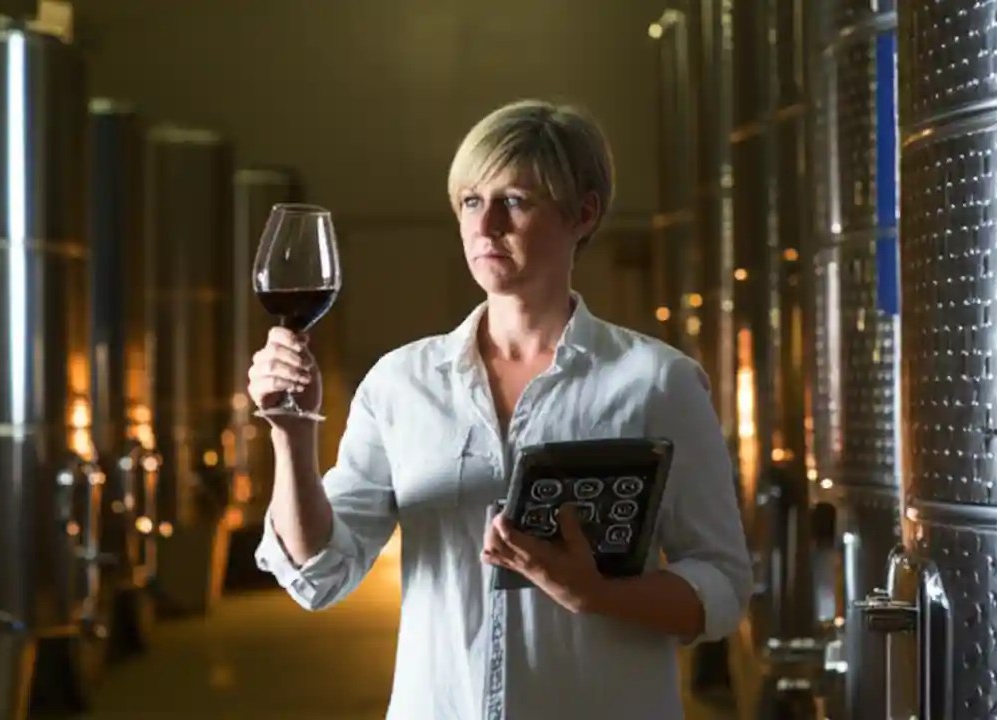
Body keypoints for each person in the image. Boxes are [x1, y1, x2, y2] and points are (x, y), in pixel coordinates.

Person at [249, 99, 751, 720]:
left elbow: (724, 585)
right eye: (470, 202)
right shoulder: (400, 384)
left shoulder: (656, 382)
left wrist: (598, 594)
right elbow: (320, 573)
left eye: (514, 201)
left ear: (583, 213)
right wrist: (293, 437)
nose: (485, 227)